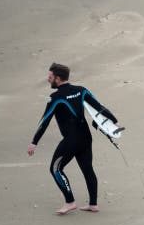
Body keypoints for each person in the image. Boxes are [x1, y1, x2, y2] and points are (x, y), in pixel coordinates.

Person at [27, 63, 120, 215]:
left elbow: (45, 121)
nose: (48, 79)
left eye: (50, 77)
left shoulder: (55, 97)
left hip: (71, 140)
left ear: (57, 78)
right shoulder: (81, 90)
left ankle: (70, 202)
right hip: (85, 137)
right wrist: (114, 121)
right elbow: (98, 106)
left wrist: (34, 142)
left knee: (55, 169)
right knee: (88, 169)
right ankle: (93, 204)